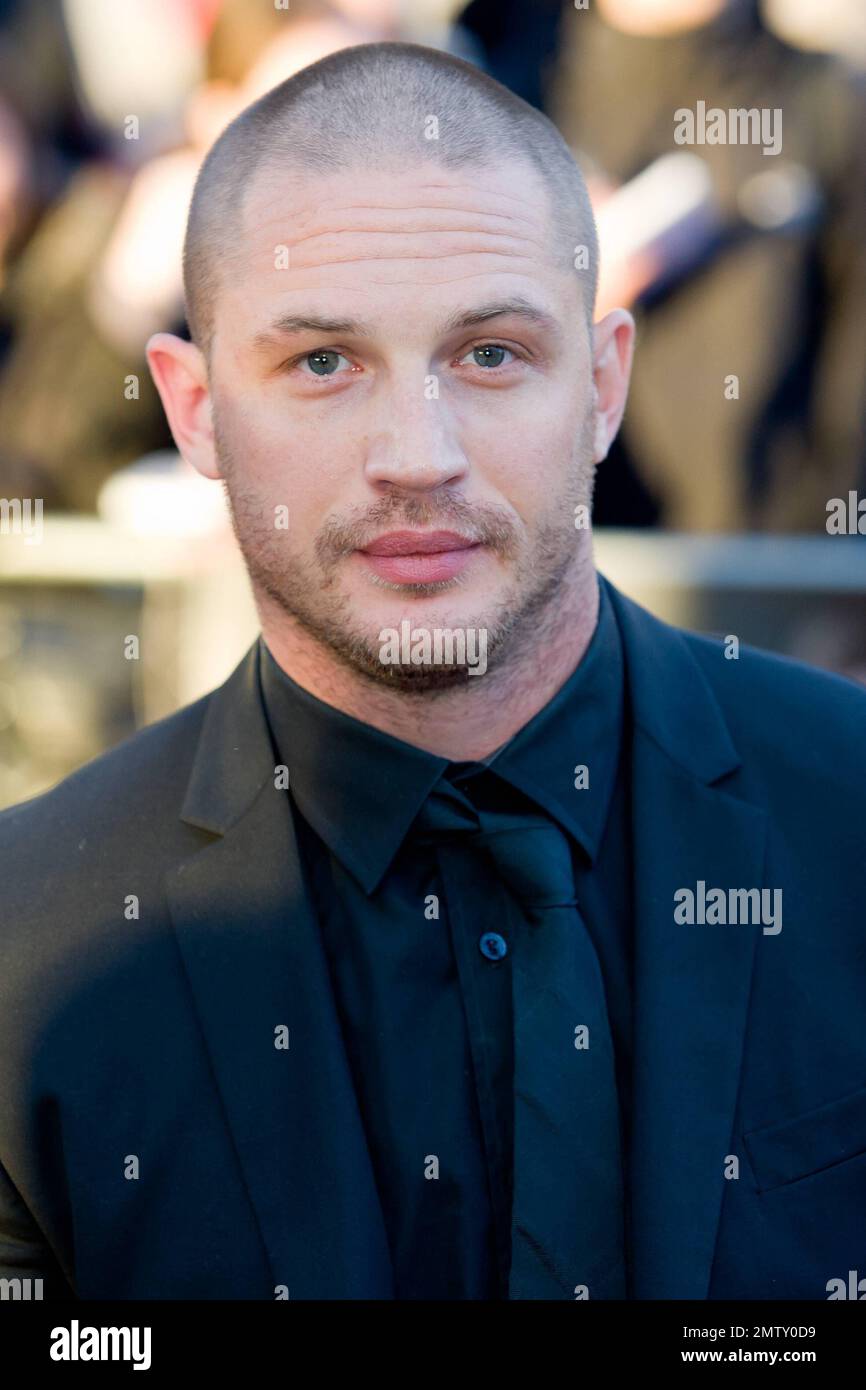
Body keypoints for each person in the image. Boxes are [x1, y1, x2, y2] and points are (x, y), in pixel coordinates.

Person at [0, 41, 864, 1302]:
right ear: (192, 410)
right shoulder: (30, 953)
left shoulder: (848, 816)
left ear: (604, 382)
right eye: (321, 363)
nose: (417, 455)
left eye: (489, 354)